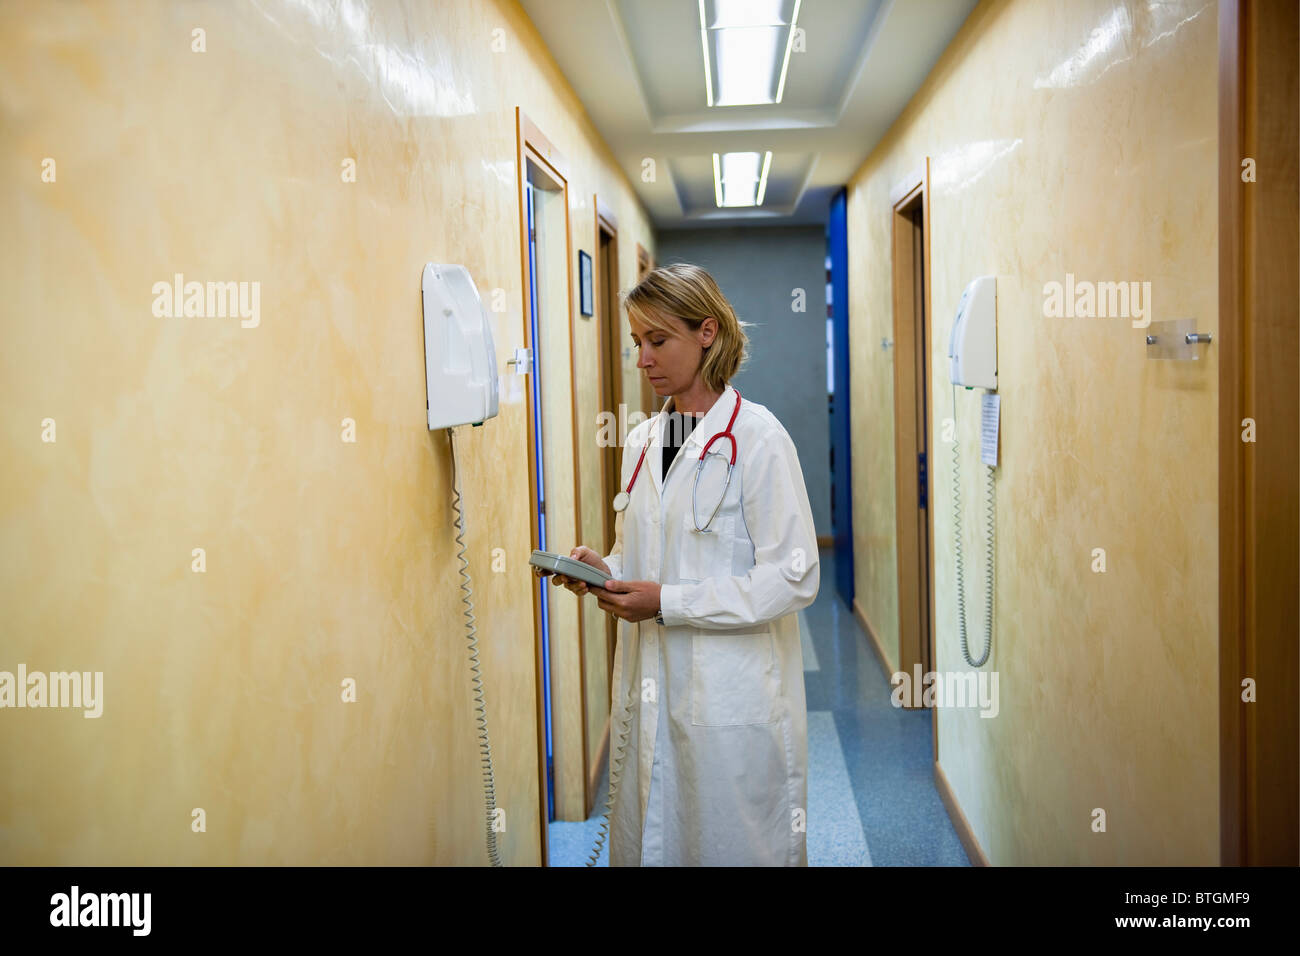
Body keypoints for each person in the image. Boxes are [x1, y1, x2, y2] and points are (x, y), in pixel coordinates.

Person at [532, 262, 819, 866]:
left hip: (729, 695)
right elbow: (643, 557)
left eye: (657, 340)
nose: (642, 359)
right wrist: (601, 571)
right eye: (637, 342)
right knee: (655, 839)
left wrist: (667, 602)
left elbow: (795, 576)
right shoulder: (640, 442)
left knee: (729, 844)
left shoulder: (760, 439)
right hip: (652, 686)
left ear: (707, 333)